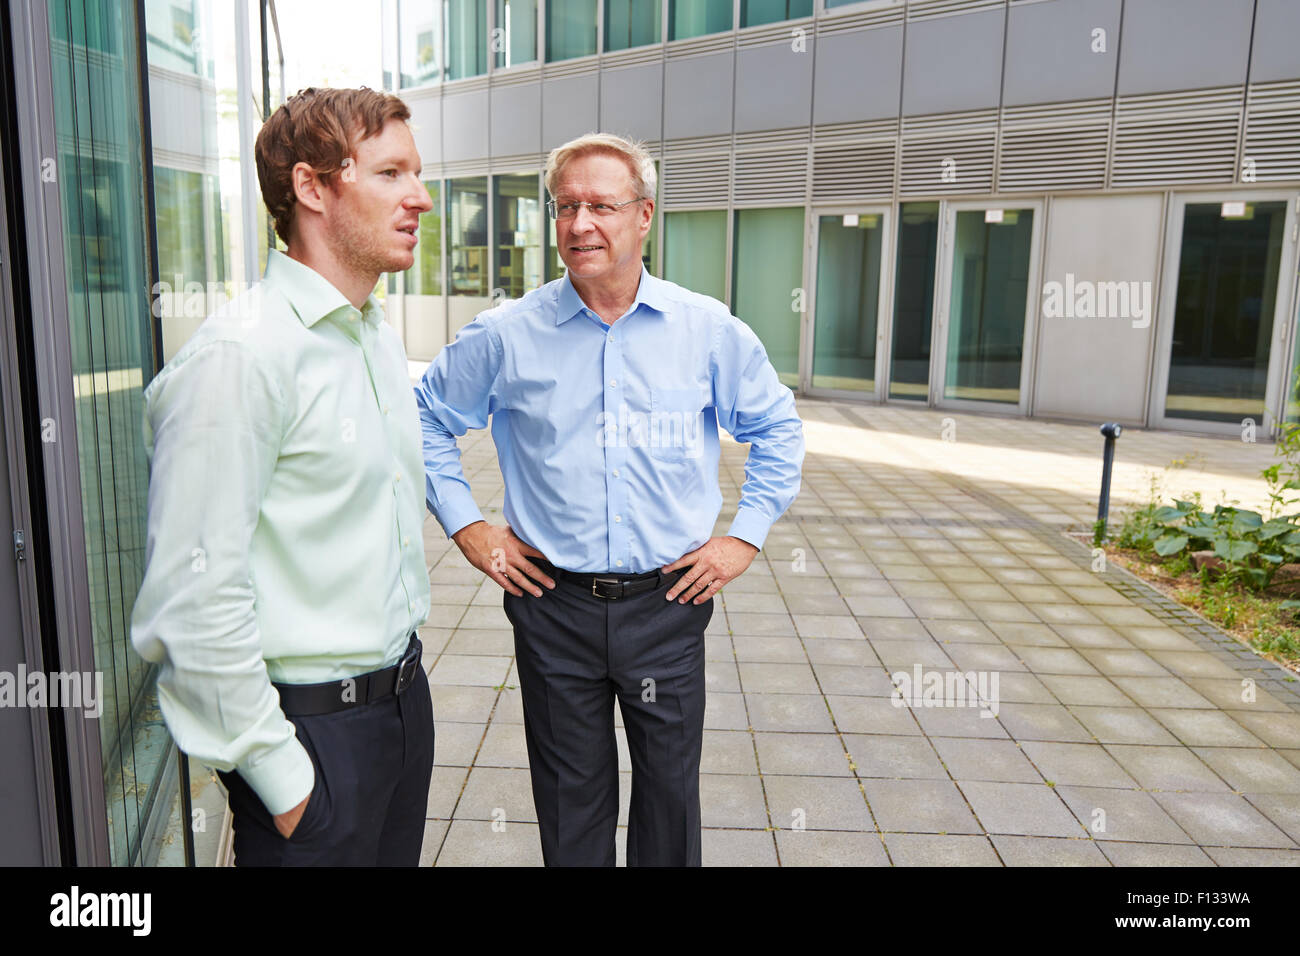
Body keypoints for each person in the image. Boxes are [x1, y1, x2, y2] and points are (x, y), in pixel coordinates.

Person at [416, 132, 804, 866]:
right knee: (570, 806)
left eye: (601, 205)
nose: (580, 224)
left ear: (644, 216)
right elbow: (426, 415)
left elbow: (778, 427)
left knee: (669, 803)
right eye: (565, 207)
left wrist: (743, 537)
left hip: (668, 606)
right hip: (552, 607)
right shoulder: (506, 334)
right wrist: (468, 526)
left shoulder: (706, 329)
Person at [131, 87, 436, 866]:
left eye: (417, 174)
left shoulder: (369, 337)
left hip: (399, 713)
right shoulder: (242, 357)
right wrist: (286, 782)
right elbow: (194, 599)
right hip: (311, 746)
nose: (421, 198)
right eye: (391, 173)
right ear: (311, 187)